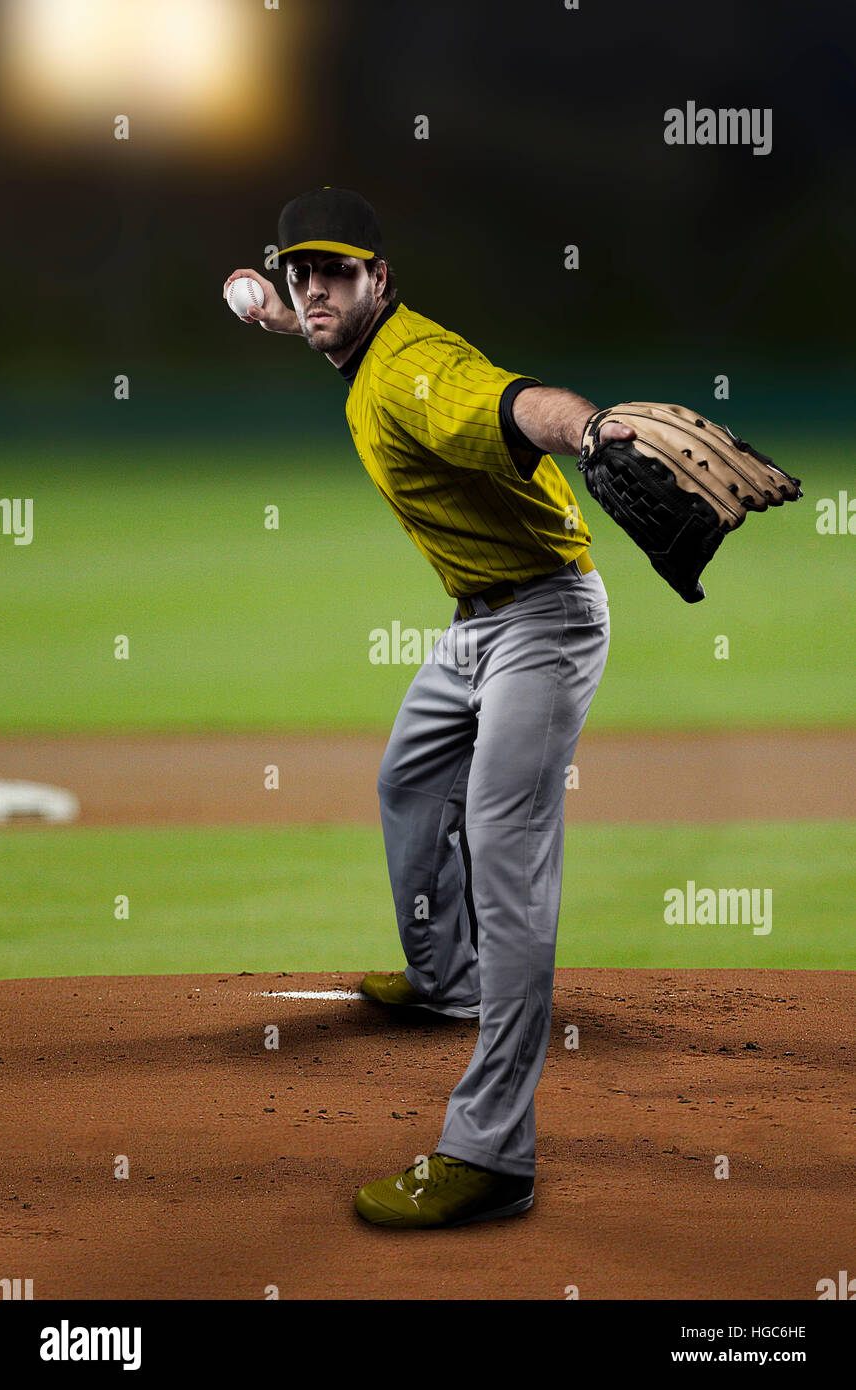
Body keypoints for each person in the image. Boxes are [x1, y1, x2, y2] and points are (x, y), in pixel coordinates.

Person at [224, 186, 635, 1229]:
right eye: (298, 271)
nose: (315, 287)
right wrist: (270, 310)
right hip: (470, 630)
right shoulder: (350, 343)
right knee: (407, 783)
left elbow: (502, 401)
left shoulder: (412, 367)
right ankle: (445, 975)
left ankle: (491, 1154)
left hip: (541, 621)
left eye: (337, 274)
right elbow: (305, 315)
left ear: (383, 280)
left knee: (504, 846)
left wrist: (590, 429)